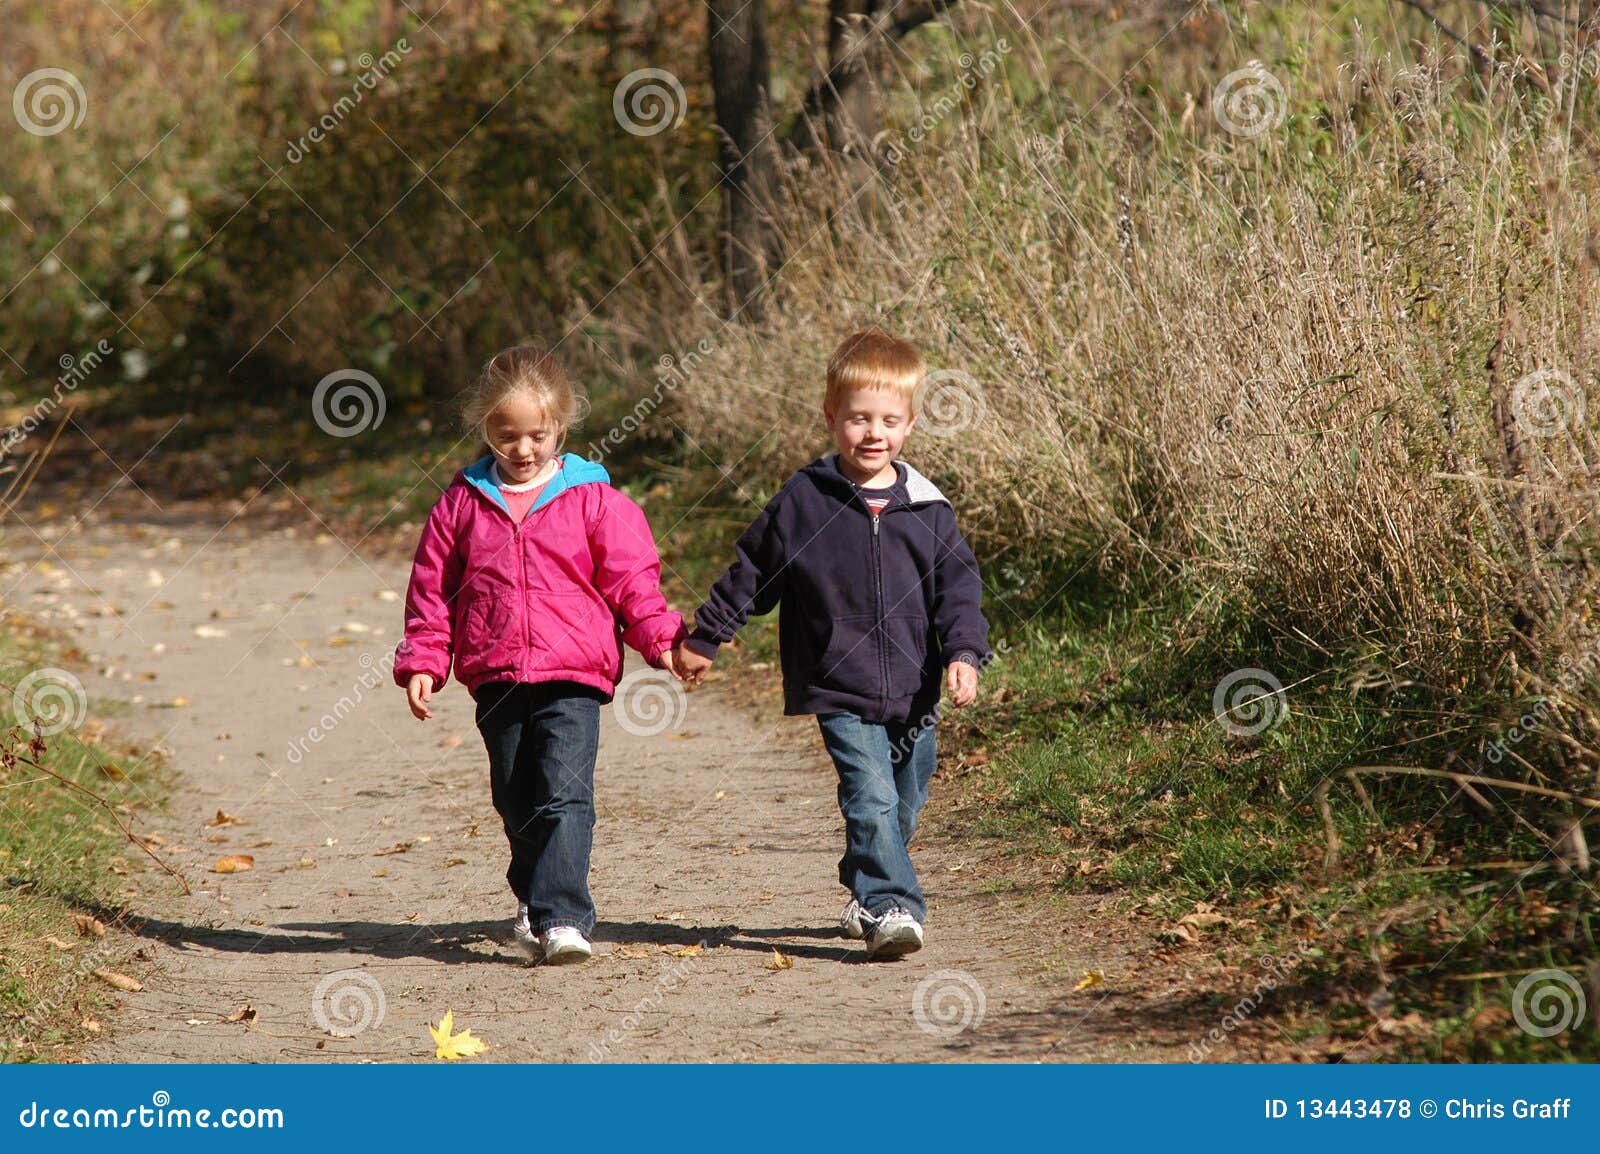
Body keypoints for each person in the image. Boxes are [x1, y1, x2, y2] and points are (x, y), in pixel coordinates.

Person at [675, 329, 990, 958]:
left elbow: (959, 590)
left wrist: (963, 653)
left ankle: (865, 878)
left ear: (911, 424)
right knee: (869, 793)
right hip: (835, 679)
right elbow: (755, 570)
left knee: (906, 794)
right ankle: (891, 907)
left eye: (889, 420)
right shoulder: (804, 501)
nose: (874, 433)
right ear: (831, 417)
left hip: (916, 683)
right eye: (858, 419)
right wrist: (708, 636)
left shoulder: (929, 510)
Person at [395, 345, 685, 963]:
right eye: (507, 437)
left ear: (562, 426)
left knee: (566, 793)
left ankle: (563, 917)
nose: (523, 450)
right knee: (515, 796)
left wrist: (660, 638)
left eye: (538, 435)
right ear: (485, 430)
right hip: (496, 671)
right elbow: (433, 589)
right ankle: (532, 892)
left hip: (575, 673)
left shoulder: (596, 501)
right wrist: (425, 658)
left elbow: (633, 579)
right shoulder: (461, 505)